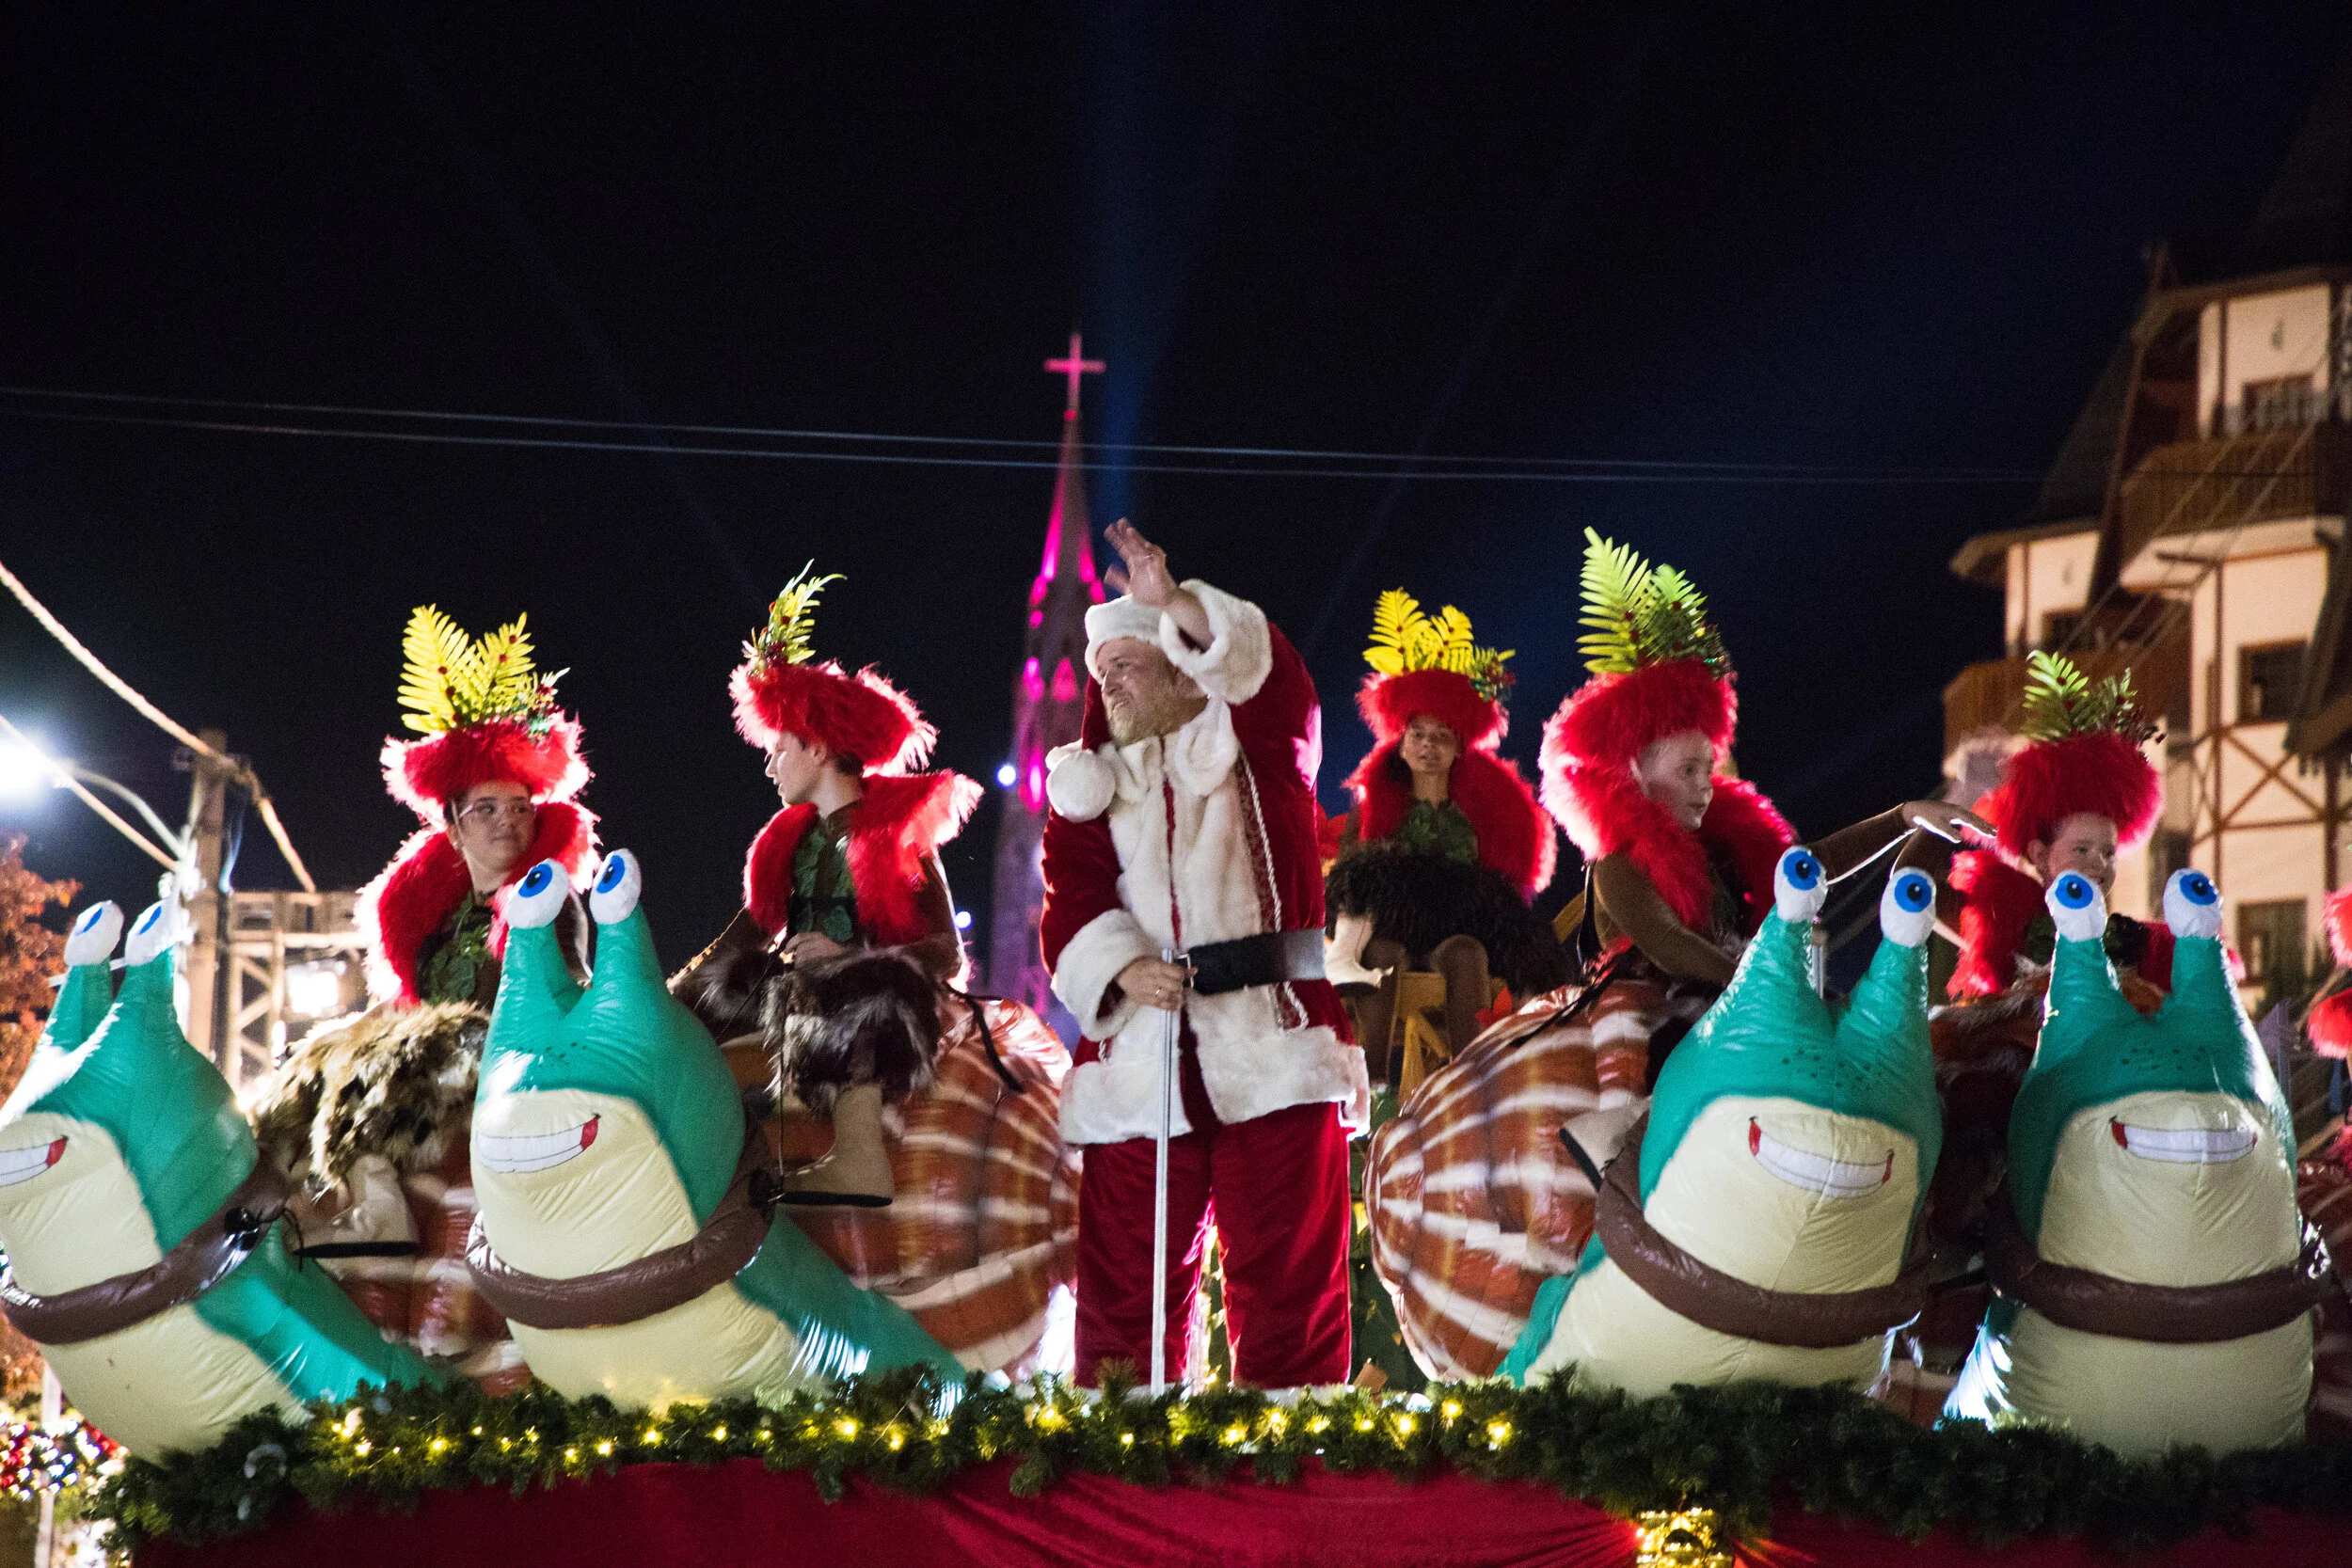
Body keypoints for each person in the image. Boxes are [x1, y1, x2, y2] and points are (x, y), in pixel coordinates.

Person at [1041, 519, 1367, 1390]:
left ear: (1181, 661)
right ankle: (1126, 1465)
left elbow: (1271, 674)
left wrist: (1176, 601)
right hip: (1140, 1059)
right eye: (1099, 673)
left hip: (1271, 1042)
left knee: (1288, 1284)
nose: (1107, 684)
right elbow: (1070, 896)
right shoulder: (1094, 796)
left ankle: (1290, 1473)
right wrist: (1116, 967)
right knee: (1121, 1294)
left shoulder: (1261, 748)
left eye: (1125, 664)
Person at [253, 606, 597, 1391]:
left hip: (509, 1070)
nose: (508, 822)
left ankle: (393, 1221)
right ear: (451, 824)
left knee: (402, 1057)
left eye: (520, 807)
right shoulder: (434, 918)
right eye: (488, 809)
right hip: (429, 1067)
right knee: (317, 1064)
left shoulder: (552, 897)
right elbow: (409, 1003)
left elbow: (569, 994)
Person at [671, 566, 981, 1206]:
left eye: (780, 746)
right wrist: (661, 998)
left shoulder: (897, 833)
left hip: (886, 1008)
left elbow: (944, 951)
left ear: (816, 748)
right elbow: (737, 940)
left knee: (861, 984)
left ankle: (860, 1154)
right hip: (801, 994)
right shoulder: (788, 843)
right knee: (723, 989)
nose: (769, 761)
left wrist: (849, 958)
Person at [1323, 588, 1563, 1069]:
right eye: (1418, 735)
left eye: (1440, 737)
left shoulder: (1474, 815)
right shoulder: (1373, 806)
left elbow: (1499, 887)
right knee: (1385, 955)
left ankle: (1471, 1081)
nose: (1428, 746)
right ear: (1402, 742)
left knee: (1468, 953)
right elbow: (1346, 886)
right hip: (1387, 935)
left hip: (1453, 933)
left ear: (1458, 749)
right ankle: (1368, 1084)